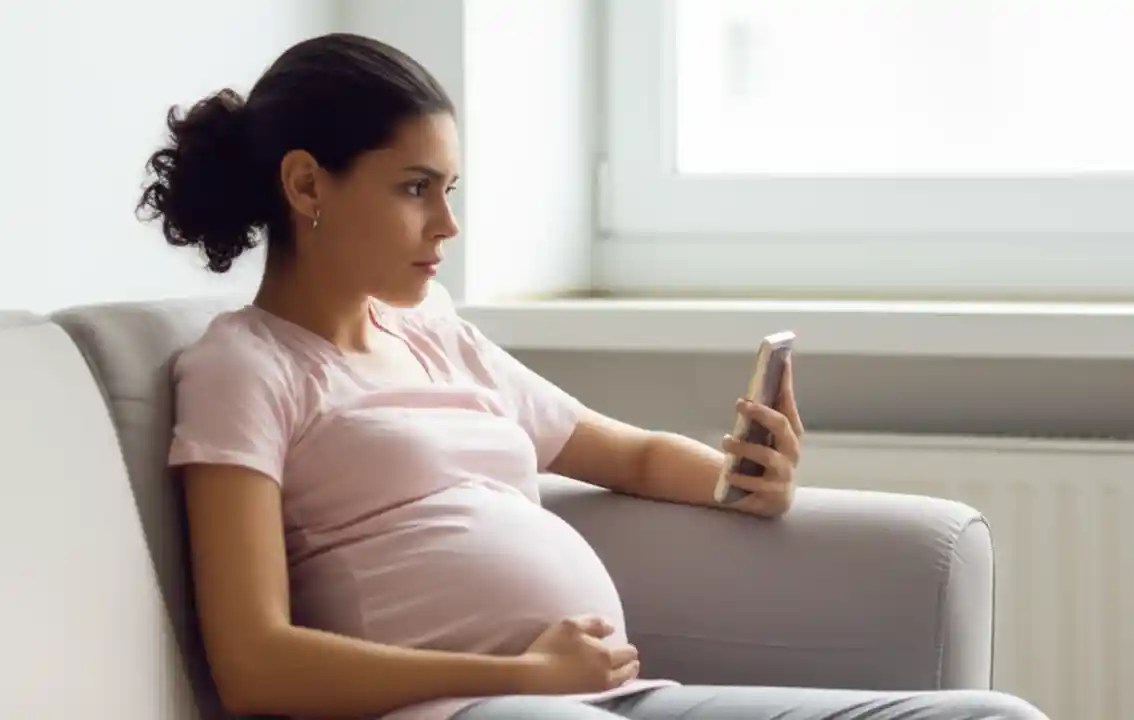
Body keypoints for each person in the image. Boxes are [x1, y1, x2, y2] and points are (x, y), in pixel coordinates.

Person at [139, 32, 1047, 720]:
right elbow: (254, 662)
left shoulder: (434, 330)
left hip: (605, 697)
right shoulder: (243, 368)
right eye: (416, 189)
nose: (446, 227)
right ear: (307, 188)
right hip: (471, 709)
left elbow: (631, 455)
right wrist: (522, 679)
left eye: (450, 190)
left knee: (989, 719)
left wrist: (744, 484)